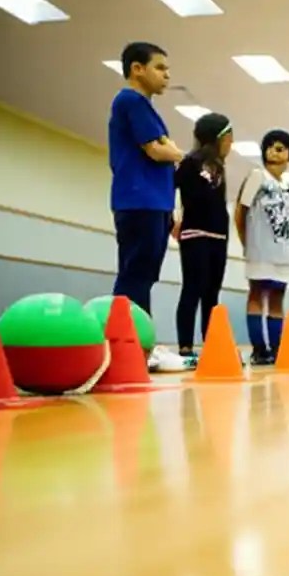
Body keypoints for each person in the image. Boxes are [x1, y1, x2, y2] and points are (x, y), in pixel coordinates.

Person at [107, 41, 187, 372]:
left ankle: (140, 344)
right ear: (137, 69)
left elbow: (163, 145)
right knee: (135, 275)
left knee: (143, 276)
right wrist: (183, 155)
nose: (167, 75)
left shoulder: (147, 108)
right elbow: (157, 150)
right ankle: (127, 345)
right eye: (160, 68)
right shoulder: (131, 100)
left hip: (154, 203)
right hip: (139, 201)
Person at [172, 112, 233, 367]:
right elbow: (170, 189)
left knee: (212, 293)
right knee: (192, 289)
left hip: (218, 236)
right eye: (229, 137)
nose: (231, 143)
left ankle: (211, 346)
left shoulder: (220, 166)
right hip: (196, 234)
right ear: (219, 137)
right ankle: (185, 348)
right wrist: (171, 222)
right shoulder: (190, 162)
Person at [235, 129, 289, 366]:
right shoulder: (257, 176)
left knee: (278, 298)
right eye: (270, 147)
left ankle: (277, 347)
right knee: (257, 295)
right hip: (259, 250)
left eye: (280, 148)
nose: (273, 151)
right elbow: (241, 212)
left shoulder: (288, 187)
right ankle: (259, 349)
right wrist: (247, 244)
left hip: (282, 252)